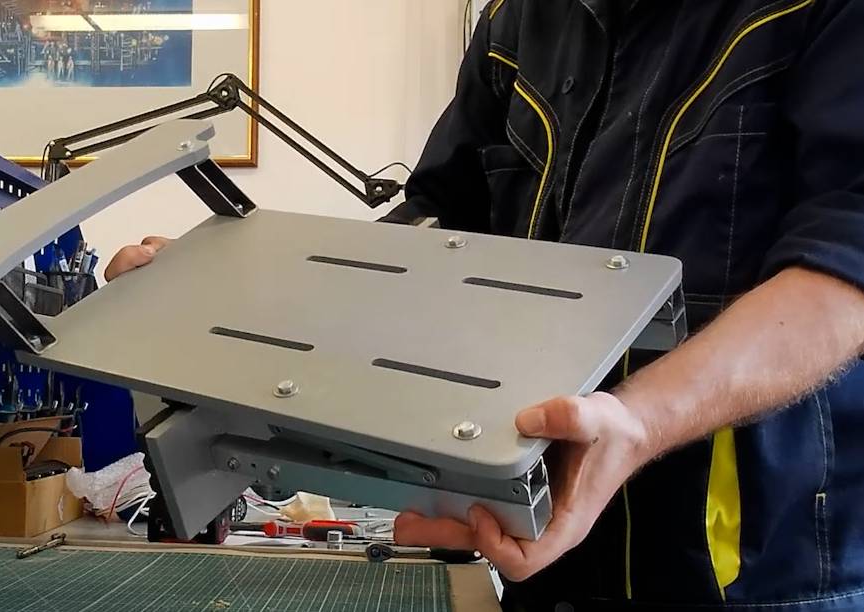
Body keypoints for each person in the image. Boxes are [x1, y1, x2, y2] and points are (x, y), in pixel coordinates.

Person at [104, 1, 864, 609]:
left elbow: (845, 265)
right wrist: (233, 289)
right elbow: (437, 228)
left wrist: (640, 421)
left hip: (755, 569)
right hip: (539, 551)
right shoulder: (519, 22)